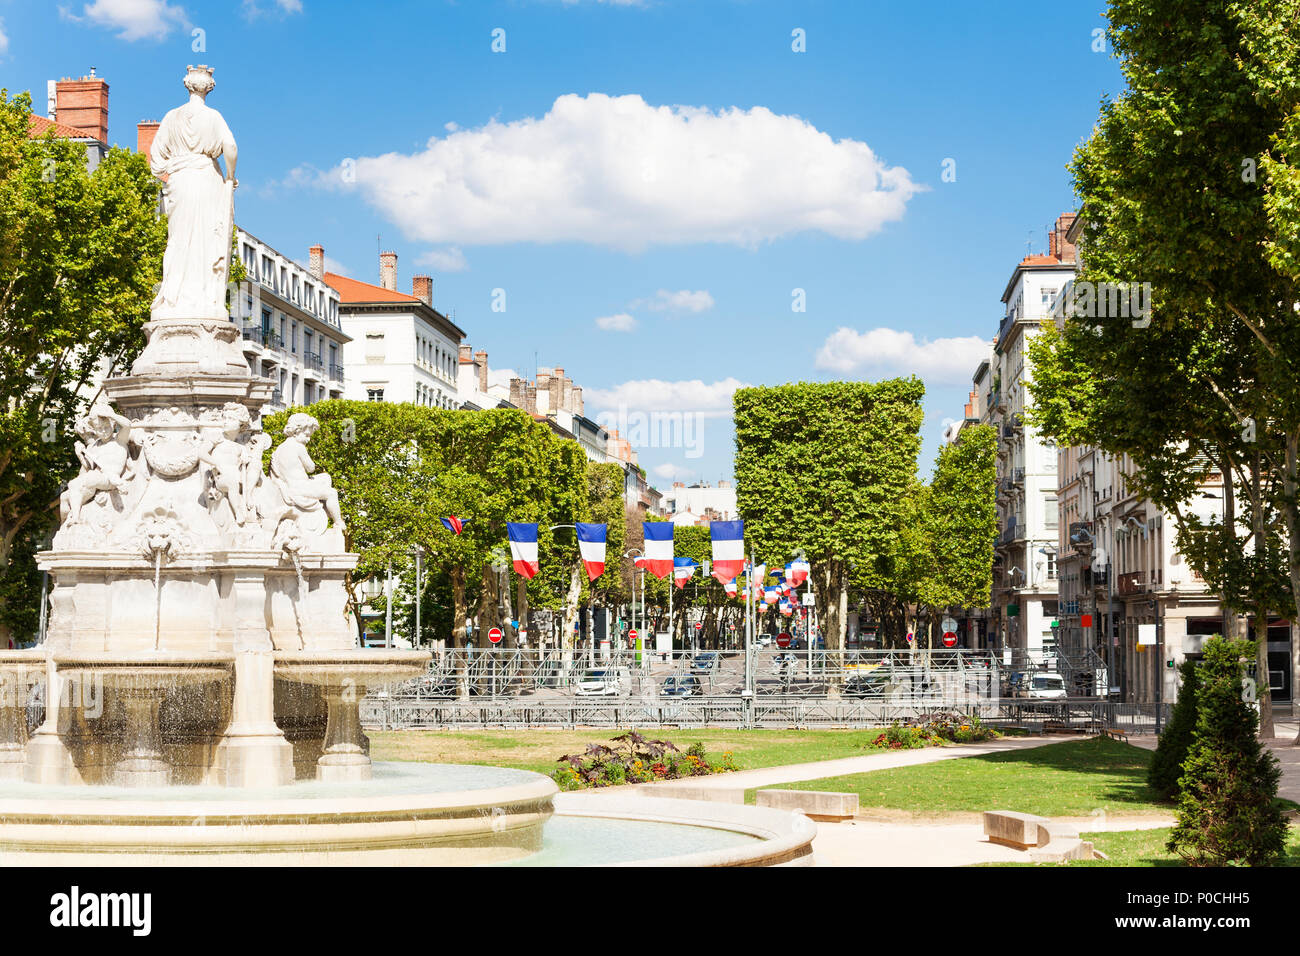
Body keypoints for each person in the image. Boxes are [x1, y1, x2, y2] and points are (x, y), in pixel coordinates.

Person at [149, 65, 237, 321]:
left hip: (180, 181)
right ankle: (205, 297)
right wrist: (230, 177)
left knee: (178, 239)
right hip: (206, 177)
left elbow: (156, 159)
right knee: (207, 238)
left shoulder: (171, 117)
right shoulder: (214, 117)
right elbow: (230, 146)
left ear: (187, 85)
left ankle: (173, 297)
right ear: (209, 88)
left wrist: (174, 166)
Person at [270, 413, 344, 529]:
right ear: (297, 431)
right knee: (332, 493)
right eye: (307, 435)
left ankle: (324, 508)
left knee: (325, 477)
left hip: (290, 486)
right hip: (299, 488)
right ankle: (338, 522)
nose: (308, 439)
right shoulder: (299, 447)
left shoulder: (279, 448)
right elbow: (311, 468)